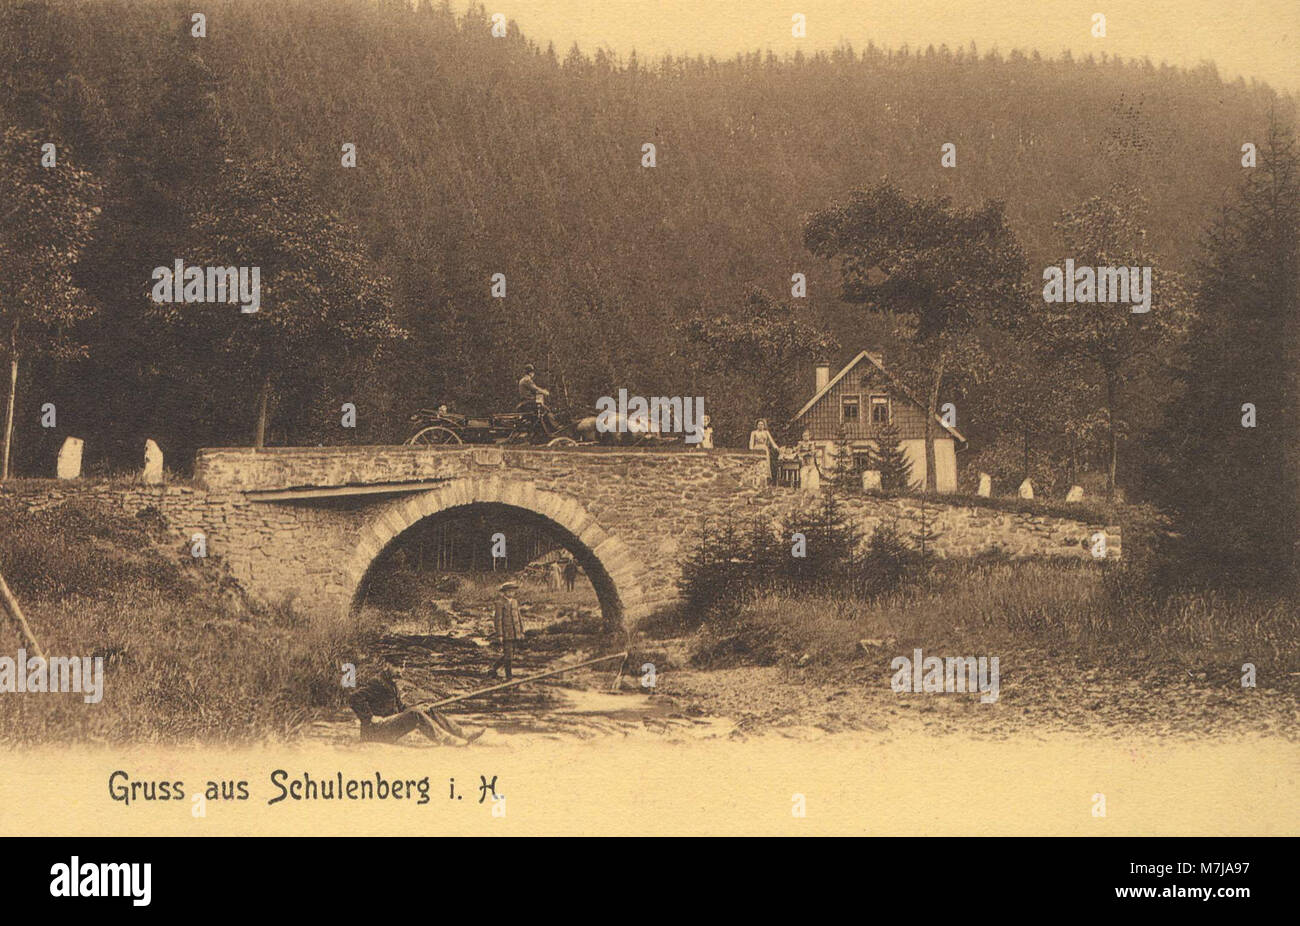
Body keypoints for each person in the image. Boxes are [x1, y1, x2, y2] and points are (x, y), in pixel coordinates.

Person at [349, 667, 484, 745]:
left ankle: (462, 734)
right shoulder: (376, 683)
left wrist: (419, 706)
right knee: (415, 714)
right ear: (387, 667)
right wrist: (369, 718)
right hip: (375, 732)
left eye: (403, 666)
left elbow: (401, 709)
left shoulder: (392, 683)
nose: (401, 670)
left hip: (388, 725)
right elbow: (354, 697)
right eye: (398, 667)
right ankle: (446, 740)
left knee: (427, 710)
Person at [488, 581, 525, 679]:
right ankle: (509, 675)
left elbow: (519, 617)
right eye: (508, 591)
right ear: (504, 592)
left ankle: (494, 668)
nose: (511, 593)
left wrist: (521, 631)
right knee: (508, 655)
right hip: (506, 633)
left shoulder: (515, 602)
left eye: (513, 591)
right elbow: (498, 620)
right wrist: (499, 635)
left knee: (510, 654)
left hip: (515, 632)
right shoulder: (500, 603)